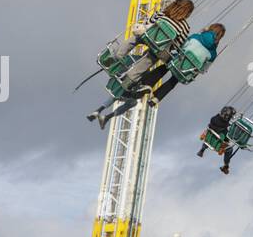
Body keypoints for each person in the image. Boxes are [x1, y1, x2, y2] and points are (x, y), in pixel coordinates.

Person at [88, 24, 226, 130]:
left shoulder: (196, 36)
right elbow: (203, 69)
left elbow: (183, 45)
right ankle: (156, 98)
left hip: (175, 61)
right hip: (184, 71)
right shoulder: (213, 53)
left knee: (165, 67)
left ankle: (147, 84)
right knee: (174, 80)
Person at [198, 105, 239, 173]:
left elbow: (216, 124)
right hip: (218, 145)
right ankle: (226, 165)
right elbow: (226, 139)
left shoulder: (213, 119)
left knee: (210, 135)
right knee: (230, 149)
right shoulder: (224, 129)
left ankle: (202, 149)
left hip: (209, 139)